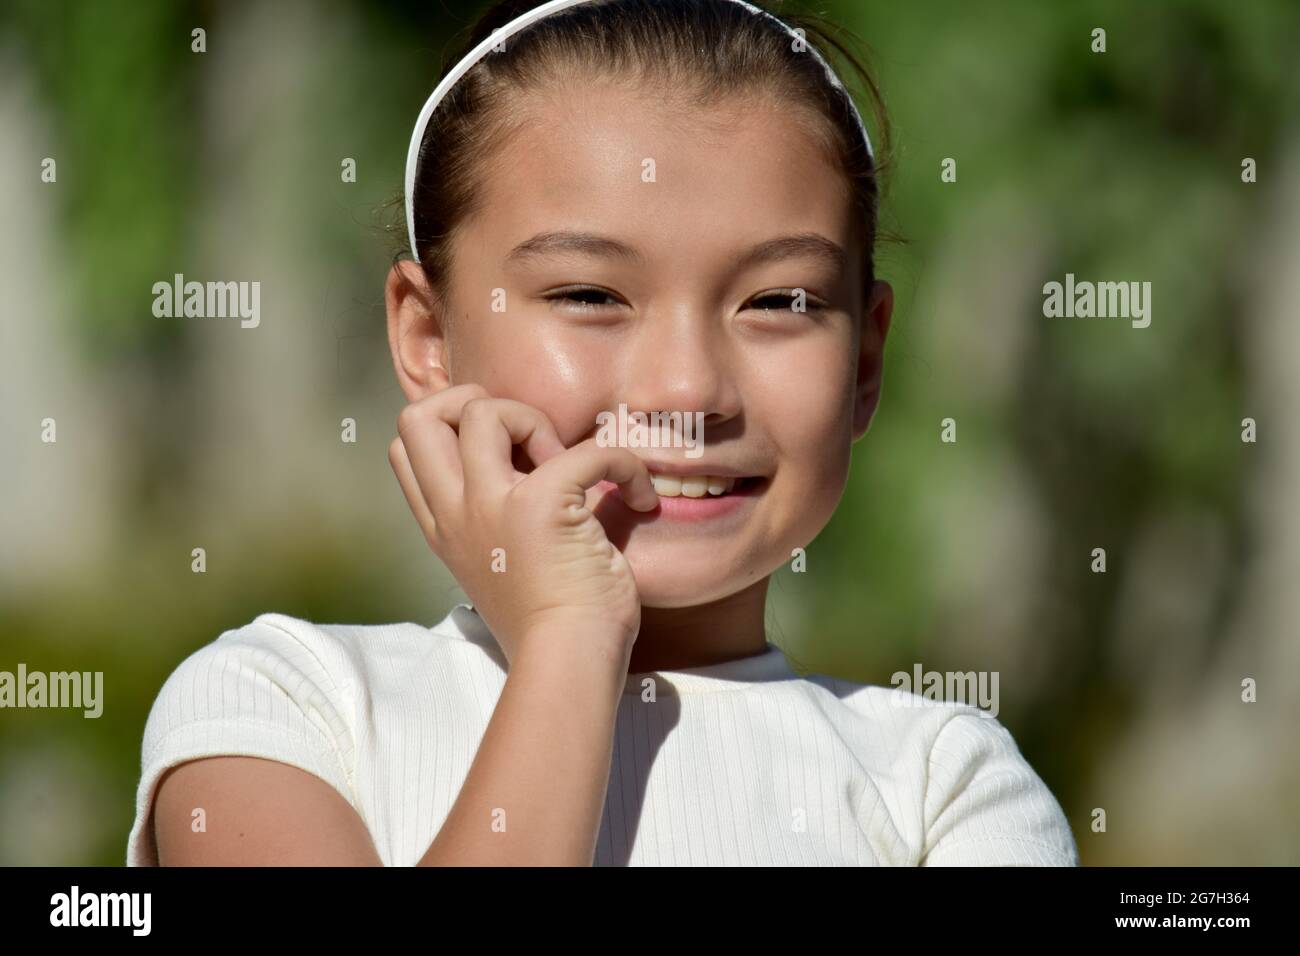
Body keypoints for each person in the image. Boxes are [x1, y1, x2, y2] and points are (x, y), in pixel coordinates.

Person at [126, 0, 1078, 866]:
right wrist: (570, 638)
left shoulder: (947, 785)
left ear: (865, 361)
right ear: (427, 335)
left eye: (779, 300)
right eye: (589, 295)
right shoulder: (284, 707)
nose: (688, 387)